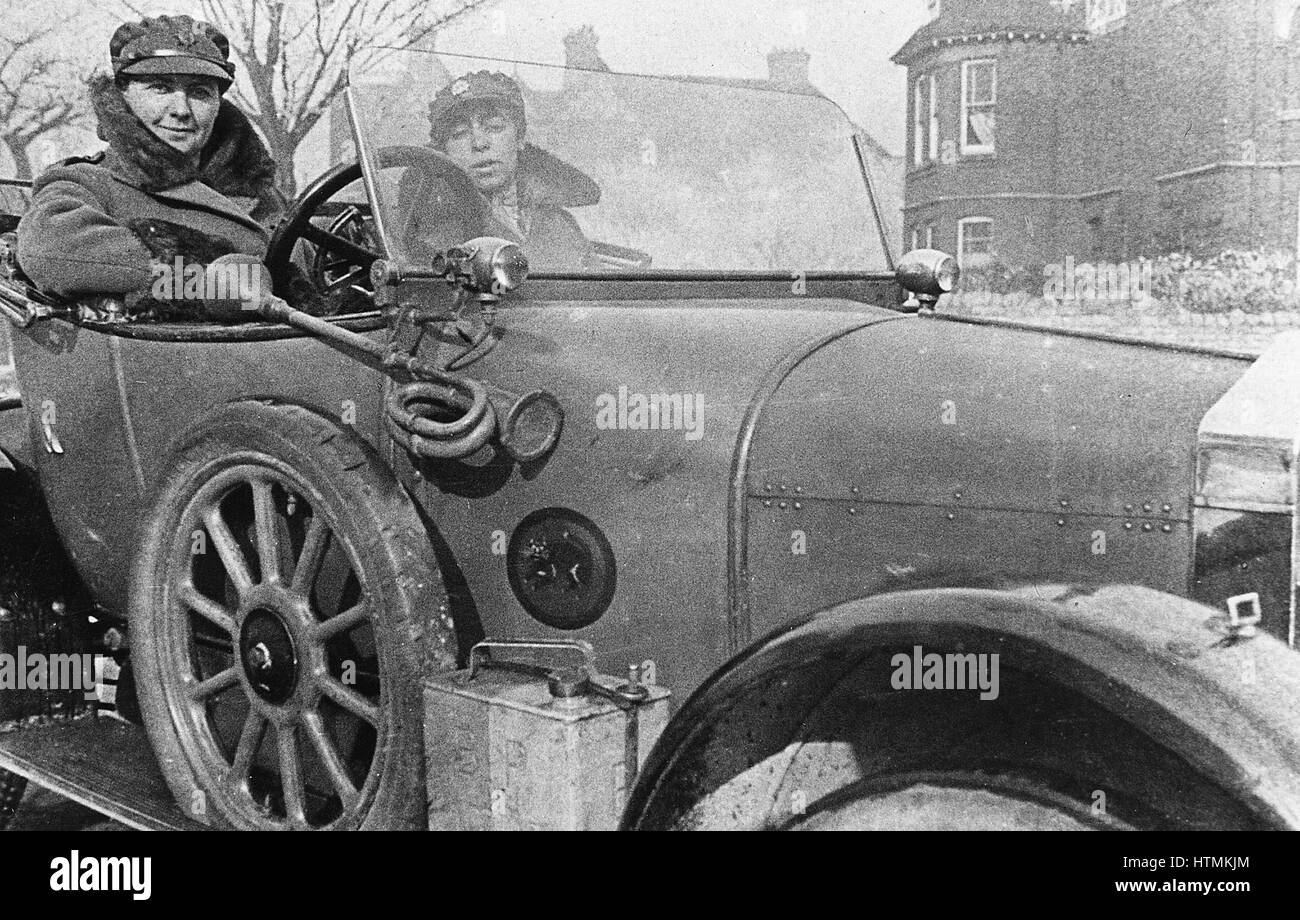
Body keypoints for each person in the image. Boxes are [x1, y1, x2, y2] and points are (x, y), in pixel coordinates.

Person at [16, 15, 320, 319]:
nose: (181, 110)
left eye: (199, 92)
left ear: (218, 103)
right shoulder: (88, 183)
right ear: (124, 96)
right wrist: (200, 277)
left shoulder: (259, 193)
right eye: (160, 88)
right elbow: (48, 247)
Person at [400, 71, 600, 271]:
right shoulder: (432, 237)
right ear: (444, 152)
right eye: (459, 133)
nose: (479, 143)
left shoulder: (559, 224)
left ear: (519, 138)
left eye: (494, 127)